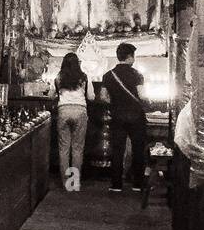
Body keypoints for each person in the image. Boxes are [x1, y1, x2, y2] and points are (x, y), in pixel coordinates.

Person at [101, 42, 147, 192]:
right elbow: (142, 95)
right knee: (138, 149)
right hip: (136, 117)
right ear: (129, 57)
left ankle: (116, 185)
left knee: (117, 149)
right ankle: (137, 184)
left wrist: (115, 102)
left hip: (117, 116)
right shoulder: (137, 75)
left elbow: (103, 97)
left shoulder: (108, 75)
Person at [54, 52, 91, 189]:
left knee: (63, 148)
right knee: (77, 149)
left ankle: (65, 183)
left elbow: (54, 93)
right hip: (80, 111)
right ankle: (74, 182)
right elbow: (91, 96)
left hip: (63, 110)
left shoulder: (59, 77)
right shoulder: (84, 77)